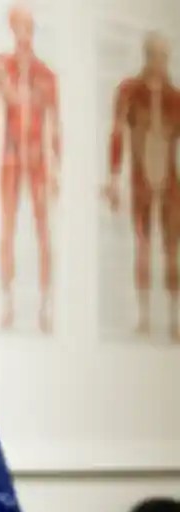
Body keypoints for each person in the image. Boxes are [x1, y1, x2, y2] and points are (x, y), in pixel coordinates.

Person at [0, 3, 60, 334]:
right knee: (9, 228)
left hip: (37, 157)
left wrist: (55, 165)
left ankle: (44, 306)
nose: (24, 34)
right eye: (19, 27)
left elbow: (54, 125)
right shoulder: (1, 68)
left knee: (43, 231)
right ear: (12, 29)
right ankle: (8, 304)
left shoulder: (46, 75)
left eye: (28, 28)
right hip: (12, 154)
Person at [104, 31, 180, 341]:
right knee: (144, 246)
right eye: (154, 55)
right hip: (141, 181)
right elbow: (118, 134)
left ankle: (174, 318)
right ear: (145, 56)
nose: (159, 62)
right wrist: (112, 179)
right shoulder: (129, 92)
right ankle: (145, 317)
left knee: (172, 249)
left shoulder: (176, 98)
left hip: (170, 180)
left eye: (164, 56)